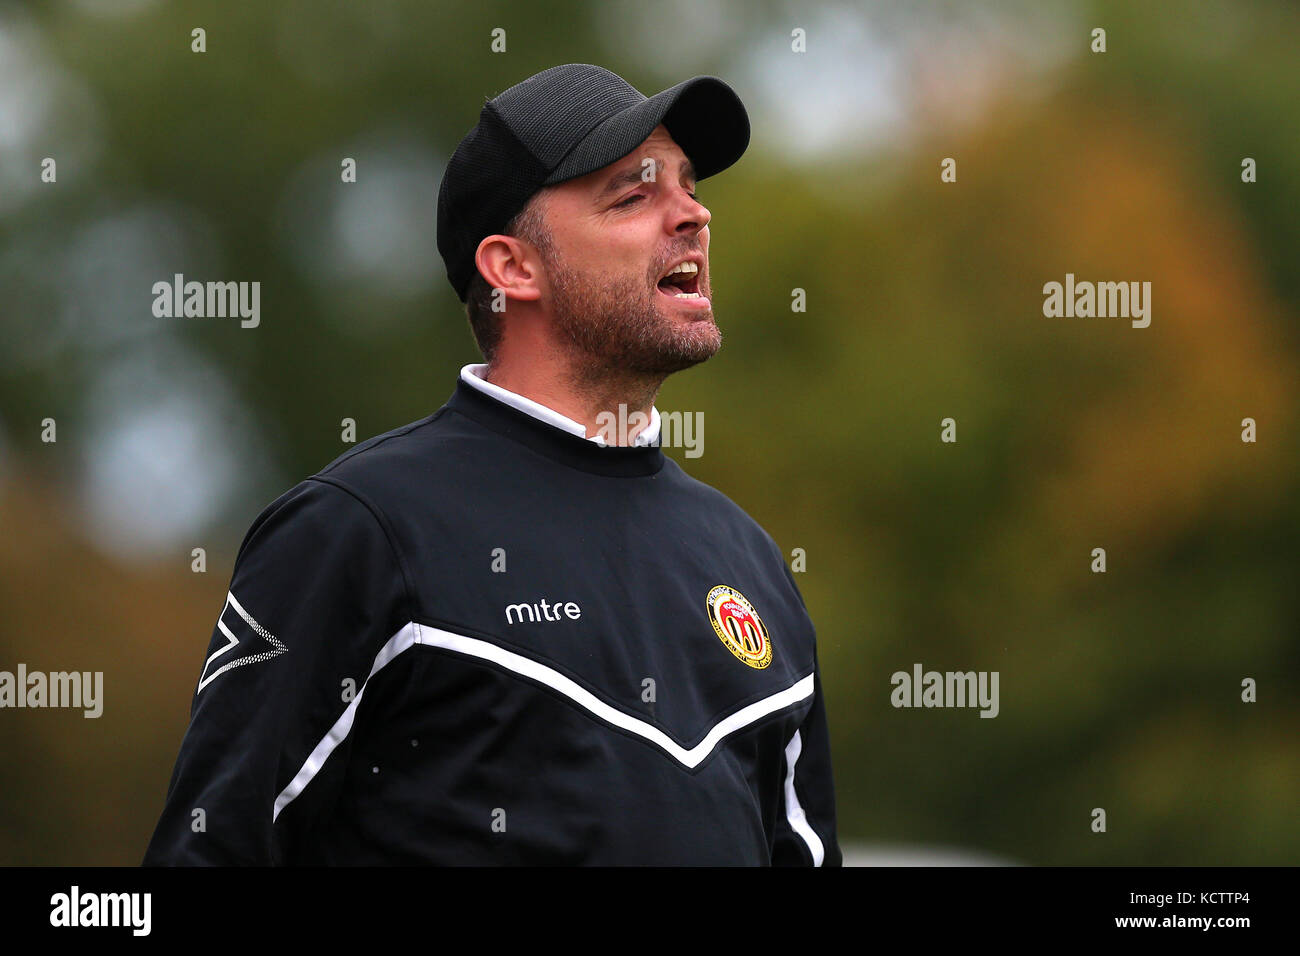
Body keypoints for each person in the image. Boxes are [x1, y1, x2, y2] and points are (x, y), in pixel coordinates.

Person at [144, 63, 840, 865]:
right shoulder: (358, 530)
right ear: (514, 268)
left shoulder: (751, 563)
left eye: (688, 187)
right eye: (634, 195)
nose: (693, 215)